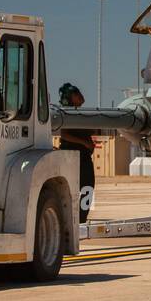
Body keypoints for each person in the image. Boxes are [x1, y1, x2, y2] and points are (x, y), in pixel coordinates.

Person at [58, 83, 97, 222]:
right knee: (73, 189)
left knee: (88, 188)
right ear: (70, 97)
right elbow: (64, 135)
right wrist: (84, 143)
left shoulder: (79, 113)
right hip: (72, 155)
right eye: (76, 93)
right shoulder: (67, 113)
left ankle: (81, 219)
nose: (80, 95)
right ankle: (74, 219)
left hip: (83, 156)